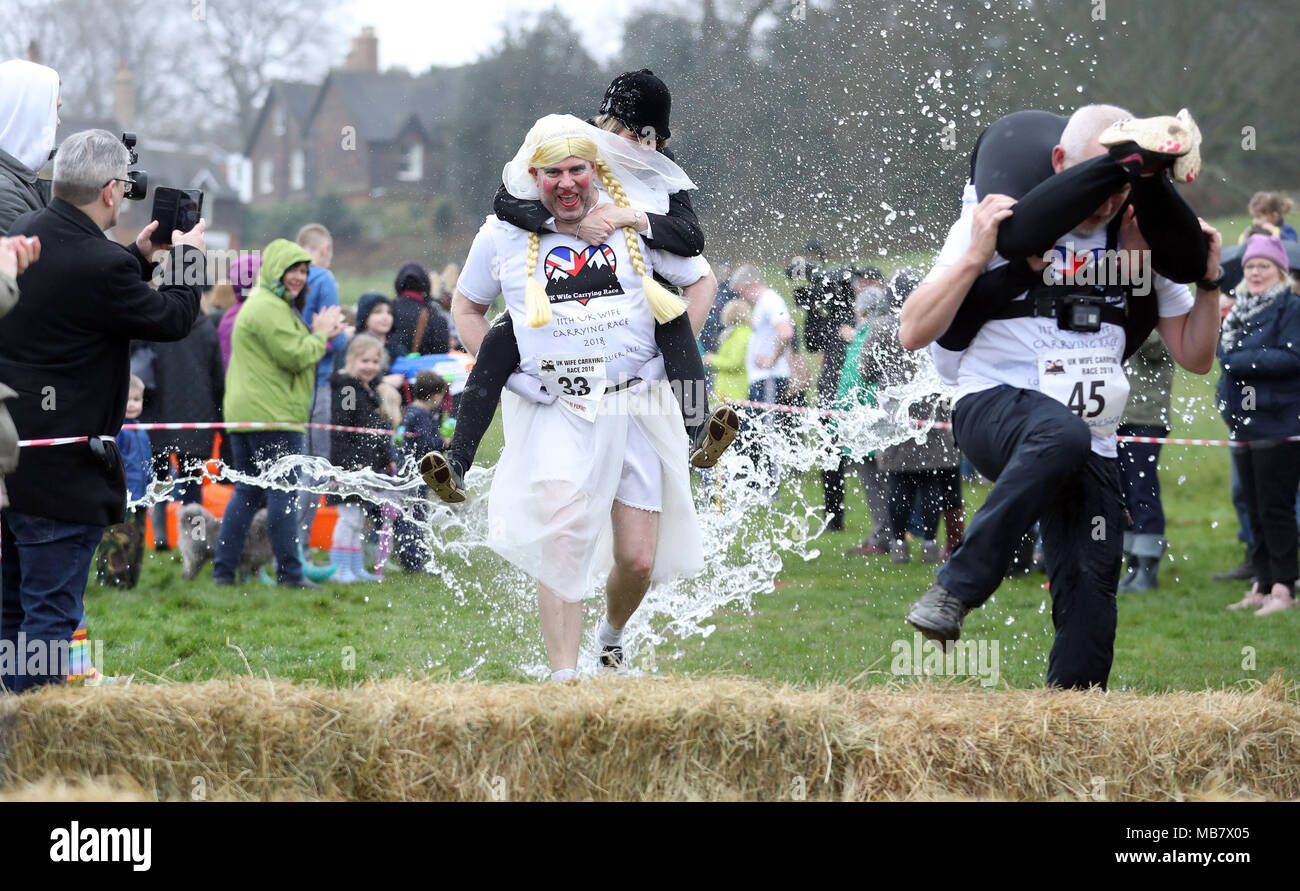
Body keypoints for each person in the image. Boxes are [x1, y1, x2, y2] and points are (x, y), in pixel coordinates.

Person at [898, 105, 1223, 690]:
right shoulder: (1001, 224)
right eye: (1093, 181)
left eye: (1118, 185)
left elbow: (1196, 356)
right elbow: (913, 330)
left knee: (1093, 581)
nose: (1104, 202)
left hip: (1090, 440)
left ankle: (1075, 712)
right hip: (993, 405)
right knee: (1060, 431)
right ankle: (956, 586)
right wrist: (975, 255)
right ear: (1060, 165)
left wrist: (1207, 282)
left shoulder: (1139, 238)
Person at [429, 114, 714, 680]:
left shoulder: (626, 219)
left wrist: (666, 363)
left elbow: (699, 278)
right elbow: (465, 309)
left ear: (595, 170)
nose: (566, 182)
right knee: (563, 536)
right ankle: (564, 681)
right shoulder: (502, 235)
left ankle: (610, 638)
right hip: (562, 409)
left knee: (637, 559)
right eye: (552, 172)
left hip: (631, 406)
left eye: (577, 169)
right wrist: (514, 376)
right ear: (533, 178)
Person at [433, 70, 737, 499]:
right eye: (634, 138)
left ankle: (700, 427)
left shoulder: (659, 172)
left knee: (668, 317)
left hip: (628, 296)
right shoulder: (573, 143)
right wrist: (564, 225)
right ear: (611, 128)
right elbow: (505, 200)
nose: (645, 151)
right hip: (552, 300)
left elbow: (691, 238)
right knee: (504, 336)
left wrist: (628, 217)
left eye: (654, 142)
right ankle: (457, 458)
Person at [0, 129, 205, 693]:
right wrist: (189, 259)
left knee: (12, 615)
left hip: (13, 461)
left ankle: (11, 721)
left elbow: (79, 297)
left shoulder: (27, 231)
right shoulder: (97, 263)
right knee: (50, 621)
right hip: (64, 474)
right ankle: (27, 749)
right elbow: (173, 320)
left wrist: (137, 257)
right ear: (113, 191)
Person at [216, 238, 345, 589]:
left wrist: (318, 334)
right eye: (293, 269)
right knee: (282, 493)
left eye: (304, 270)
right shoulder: (269, 307)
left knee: (248, 491)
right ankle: (290, 574)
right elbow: (296, 355)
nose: (299, 277)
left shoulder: (266, 304)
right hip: (270, 415)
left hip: (252, 414)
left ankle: (223, 573)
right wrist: (320, 334)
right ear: (275, 269)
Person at [1220, 235, 1300, 616]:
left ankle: (1285, 587)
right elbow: (1222, 355)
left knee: (1275, 507)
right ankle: (1262, 582)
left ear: (1280, 271)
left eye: (1263, 266)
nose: (1255, 272)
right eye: (1250, 266)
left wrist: (1242, 360)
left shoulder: (1291, 307)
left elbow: (1291, 357)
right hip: (1243, 423)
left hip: (1280, 422)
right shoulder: (1238, 310)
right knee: (1253, 507)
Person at [137, 305, 224, 550]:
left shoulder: (152, 321)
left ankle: (160, 538)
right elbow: (217, 377)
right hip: (196, 417)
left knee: (158, 480)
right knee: (192, 484)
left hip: (157, 415)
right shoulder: (205, 328)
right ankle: (194, 541)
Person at [296, 223, 348, 561]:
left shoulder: (287, 280)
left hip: (291, 385)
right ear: (325, 249)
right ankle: (295, 549)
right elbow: (333, 339)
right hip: (317, 384)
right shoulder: (323, 280)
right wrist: (343, 334)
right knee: (315, 468)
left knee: (292, 465)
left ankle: (282, 546)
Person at [328, 333, 396, 583]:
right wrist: (347, 466)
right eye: (364, 361)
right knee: (348, 519)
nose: (370, 367)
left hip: (366, 466)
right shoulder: (347, 387)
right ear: (350, 360)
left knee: (357, 520)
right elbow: (342, 429)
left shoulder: (369, 390)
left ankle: (354, 567)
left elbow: (376, 431)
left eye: (374, 362)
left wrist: (386, 457)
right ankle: (339, 569)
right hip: (348, 467)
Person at [1115, 330, 1174, 592]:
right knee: (1122, 494)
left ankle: (1148, 566)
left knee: (1143, 491)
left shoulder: (1161, 315)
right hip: (1115, 415)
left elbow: (1156, 349)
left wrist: (1137, 319)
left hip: (1146, 418)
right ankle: (1133, 564)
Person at [95, 375, 151, 588]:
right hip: (121, 497)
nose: (132, 405)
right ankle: (110, 580)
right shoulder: (117, 431)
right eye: (127, 400)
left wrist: (151, 493)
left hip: (141, 498)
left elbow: (148, 466)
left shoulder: (143, 431)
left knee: (136, 540)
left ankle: (130, 581)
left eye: (136, 400)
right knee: (117, 539)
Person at [394, 370, 448, 572]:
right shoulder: (422, 415)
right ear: (436, 395)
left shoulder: (411, 410)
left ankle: (412, 553)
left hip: (408, 470)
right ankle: (412, 558)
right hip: (416, 473)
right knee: (415, 514)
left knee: (411, 512)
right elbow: (426, 444)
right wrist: (444, 442)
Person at [0, 59, 59, 237]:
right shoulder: (4, 192)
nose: (57, 121)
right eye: (54, 110)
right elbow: (43, 260)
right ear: (29, 112)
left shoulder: (17, 180)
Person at [388, 262, 449, 357]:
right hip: (426, 370)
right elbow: (442, 353)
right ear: (426, 285)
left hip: (393, 371)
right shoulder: (435, 315)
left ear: (398, 284)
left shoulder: (388, 310)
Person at [702, 299, 753, 403]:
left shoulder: (740, 335)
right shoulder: (735, 333)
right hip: (728, 390)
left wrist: (712, 359)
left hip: (734, 391)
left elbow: (734, 363)